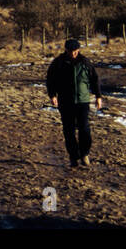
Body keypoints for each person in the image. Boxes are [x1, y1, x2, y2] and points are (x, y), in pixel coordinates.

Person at [46, 39, 103, 168]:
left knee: (84, 129)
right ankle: (73, 157)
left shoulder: (85, 62)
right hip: (65, 102)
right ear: (66, 50)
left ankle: (84, 154)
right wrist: (52, 95)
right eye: (71, 51)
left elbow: (95, 79)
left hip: (83, 101)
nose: (73, 54)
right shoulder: (58, 63)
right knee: (69, 131)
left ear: (79, 50)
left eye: (76, 51)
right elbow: (50, 80)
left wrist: (98, 96)